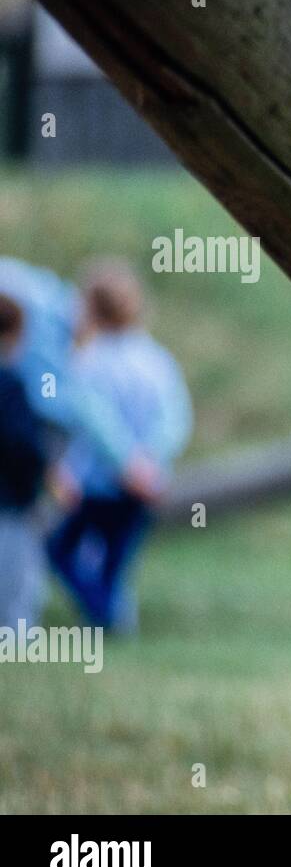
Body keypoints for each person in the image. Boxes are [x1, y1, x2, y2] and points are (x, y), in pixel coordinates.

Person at [44, 259, 192, 633]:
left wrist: (127, 463)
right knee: (115, 559)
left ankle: (106, 616)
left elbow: (97, 422)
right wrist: (151, 462)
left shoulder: (89, 361)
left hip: (101, 483)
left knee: (60, 549)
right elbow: (176, 417)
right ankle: (113, 614)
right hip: (146, 486)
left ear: (90, 307)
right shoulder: (157, 360)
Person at [0, 293, 51, 628]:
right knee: (15, 586)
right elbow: (23, 445)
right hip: (9, 502)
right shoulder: (10, 384)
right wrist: (37, 480)